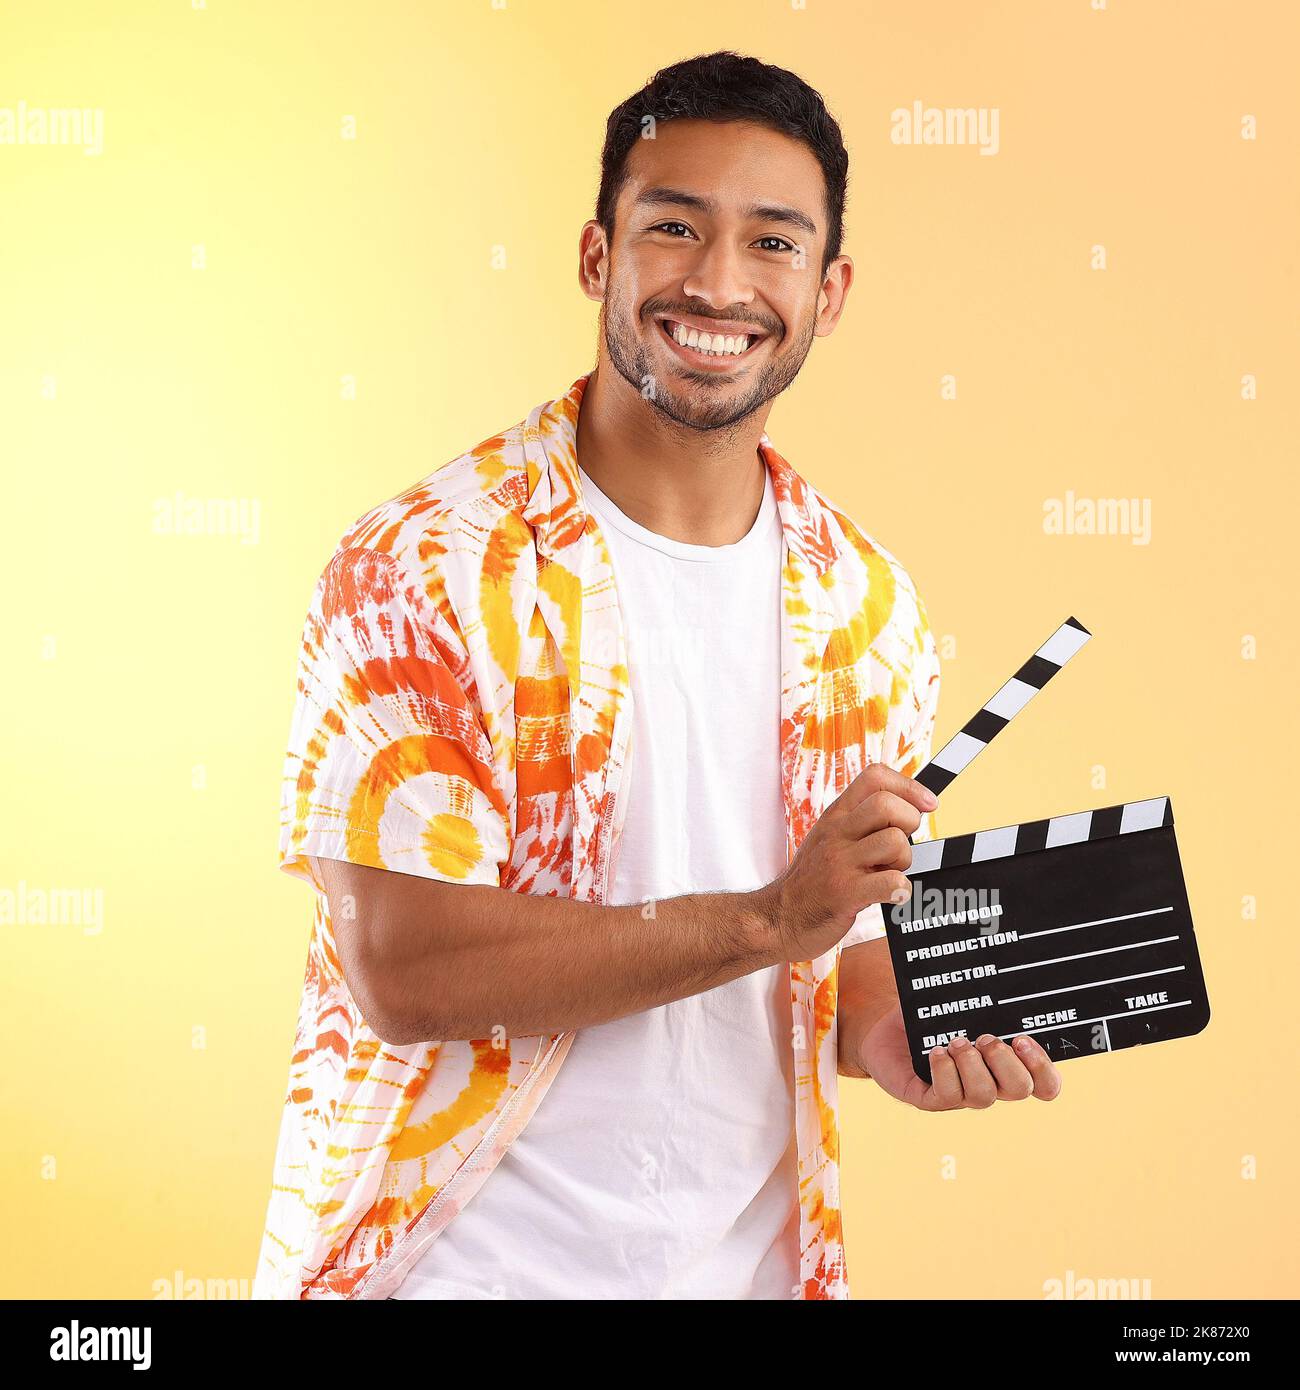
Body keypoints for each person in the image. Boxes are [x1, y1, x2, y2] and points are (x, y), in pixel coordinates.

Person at [253, 50, 1061, 1303]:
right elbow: (400, 968)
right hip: (445, 1274)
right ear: (598, 257)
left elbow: (819, 957)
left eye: (774, 244)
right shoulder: (421, 565)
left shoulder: (870, 608)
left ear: (830, 290)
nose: (719, 283)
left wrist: (885, 1029)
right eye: (673, 227)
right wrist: (765, 920)